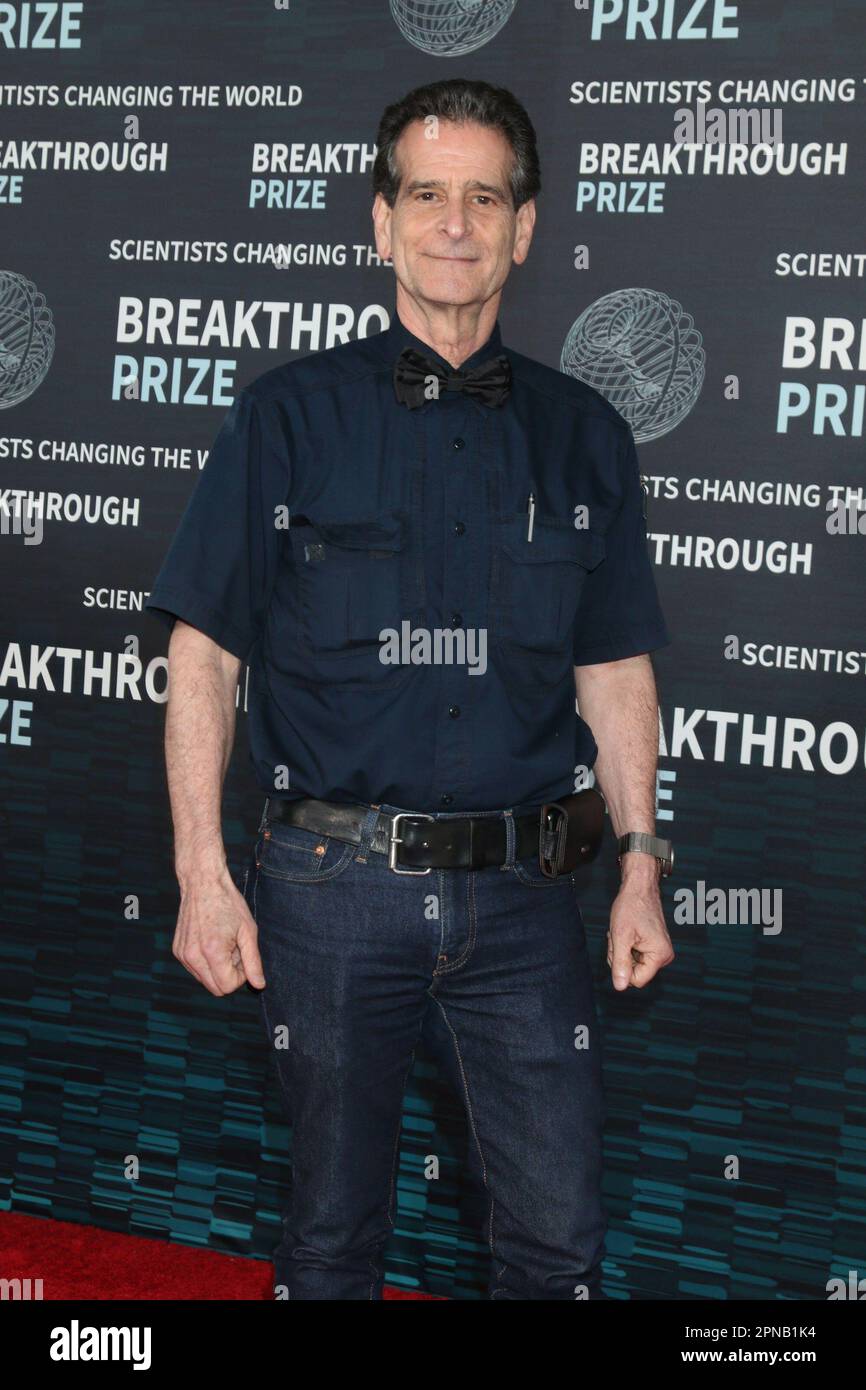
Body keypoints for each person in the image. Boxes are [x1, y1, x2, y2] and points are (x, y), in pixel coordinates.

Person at [145, 77, 675, 1301]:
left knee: (556, 1246)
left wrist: (641, 861)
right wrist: (199, 873)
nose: (454, 223)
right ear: (379, 222)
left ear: (524, 227)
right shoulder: (283, 417)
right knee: (331, 1244)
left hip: (530, 908)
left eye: (482, 197)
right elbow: (205, 657)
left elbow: (613, 668)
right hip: (330, 898)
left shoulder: (586, 433)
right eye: (425, 195)